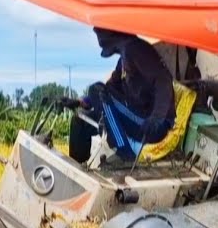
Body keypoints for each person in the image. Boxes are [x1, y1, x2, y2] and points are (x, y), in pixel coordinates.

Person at [68, 27, 176, 164]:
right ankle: (76, 170)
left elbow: (164, 80)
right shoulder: (124, 59)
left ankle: (124, 152)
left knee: (96, 89)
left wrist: (156, 118)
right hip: (135, 118)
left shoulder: (135, 49)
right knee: (80, 121)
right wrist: (80, 102)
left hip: (151, 125)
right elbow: (109, 90)